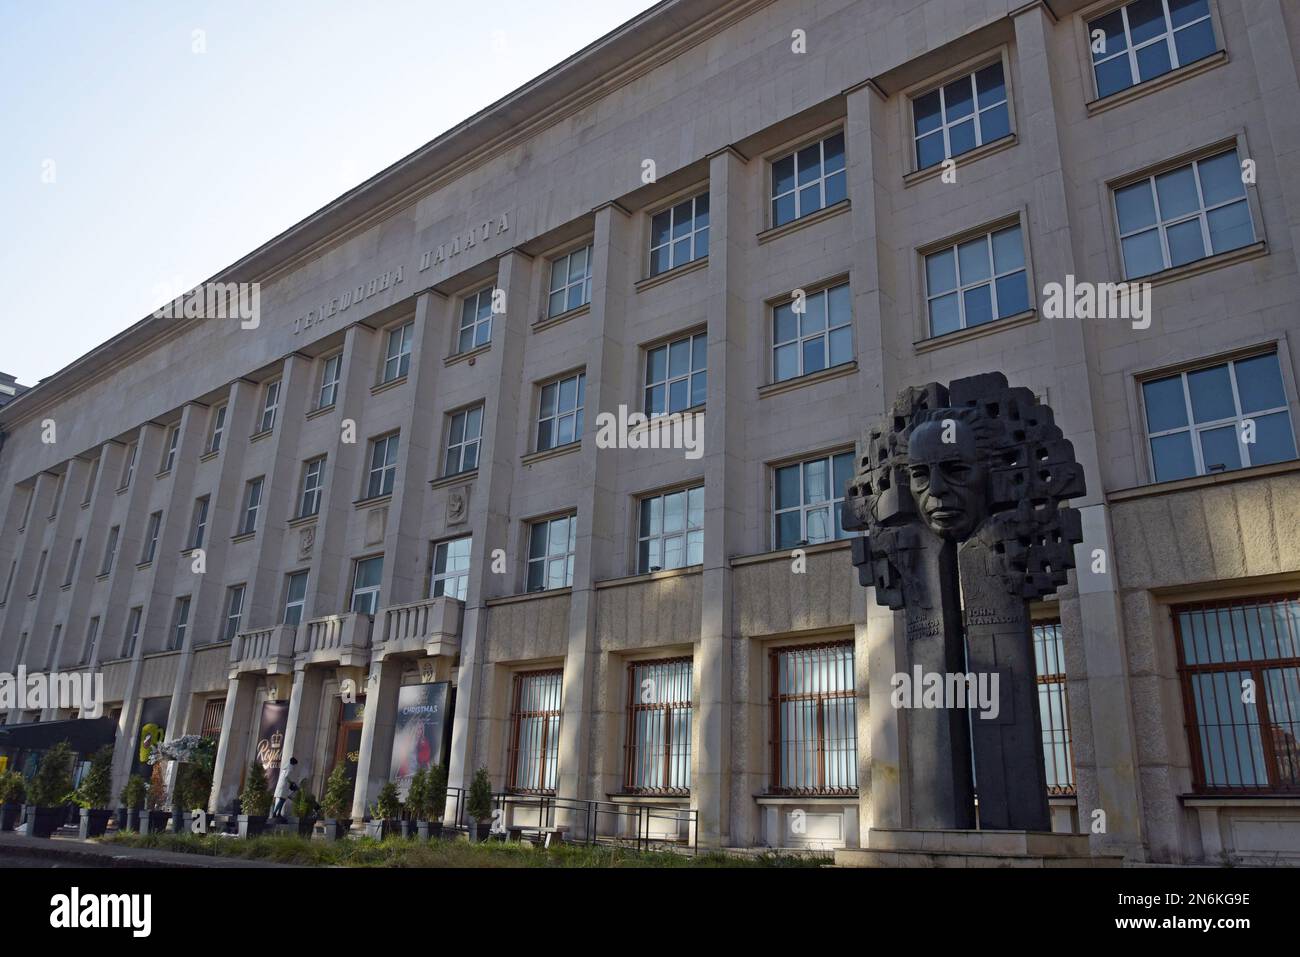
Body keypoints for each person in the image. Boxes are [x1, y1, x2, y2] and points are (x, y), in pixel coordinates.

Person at [270, 757, 300, 822]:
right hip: (284, 785)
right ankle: (275, 813)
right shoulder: (290, 767)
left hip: (282, 785)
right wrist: (292, 783)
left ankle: (278, 813)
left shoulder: (286, 766)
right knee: (282, 799)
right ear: (294, 763)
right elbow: (287, 776)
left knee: (282, 799)